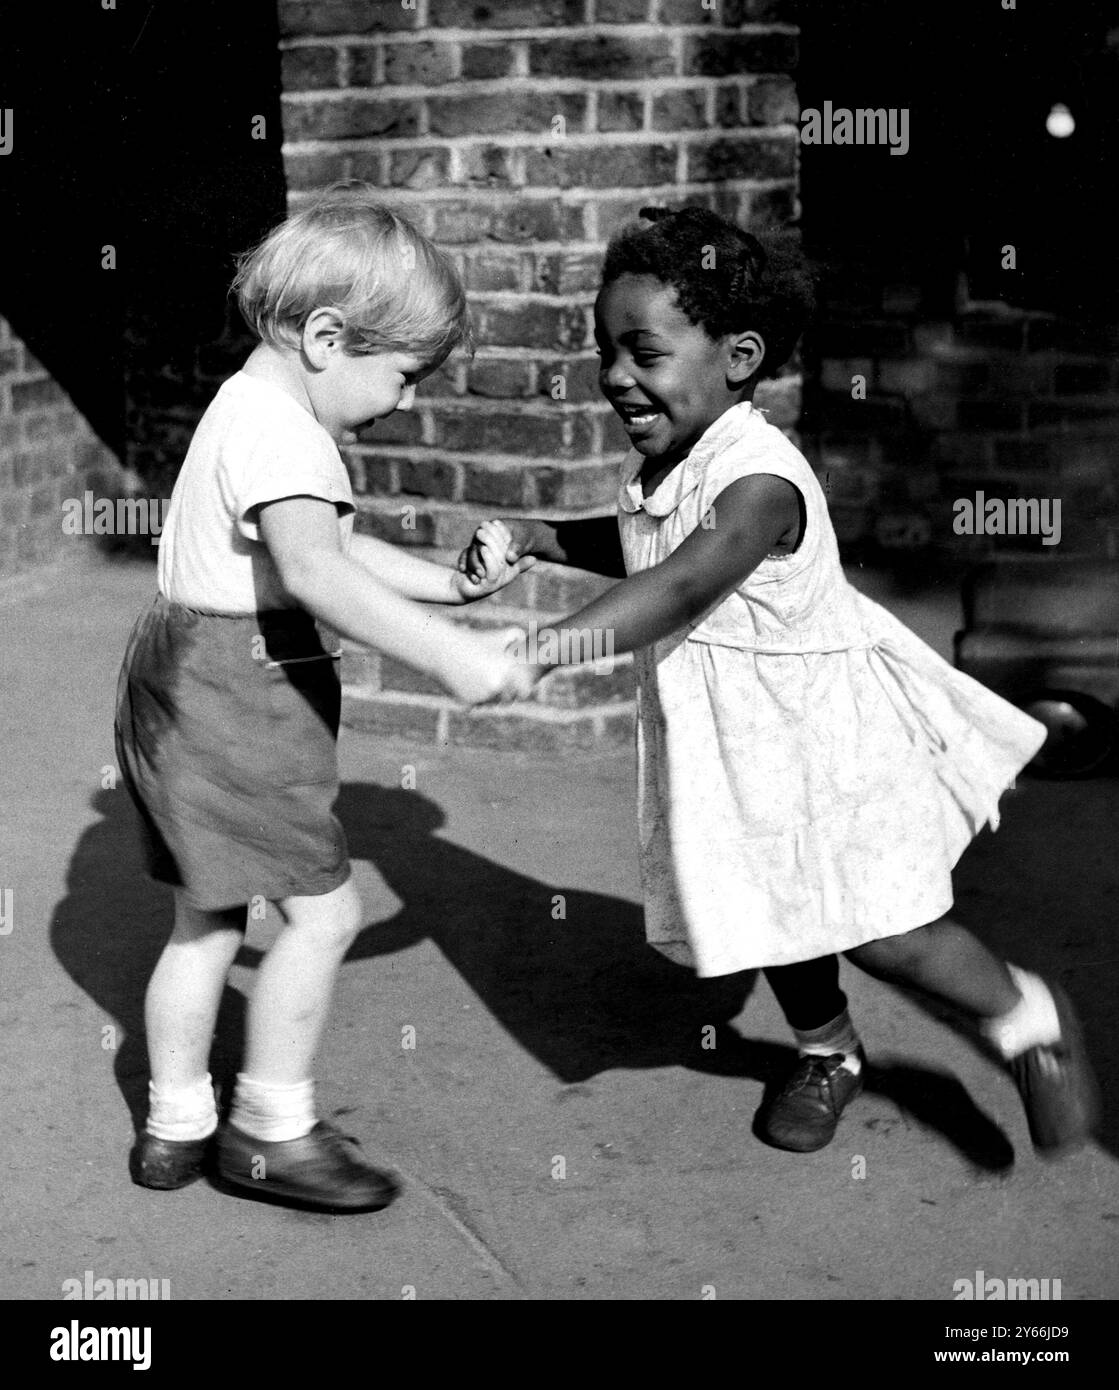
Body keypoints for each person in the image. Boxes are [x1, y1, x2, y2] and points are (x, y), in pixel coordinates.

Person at [461, 206, 1099, 1157]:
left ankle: (1027, 1022)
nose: (617, 378)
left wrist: (540, 649)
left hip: (825, 749)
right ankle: (827, 1050)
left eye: (644, 353)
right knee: (766, 909)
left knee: (888, 931)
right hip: (736, 749)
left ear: (741, 355)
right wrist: (546, 539)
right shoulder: (670, 461)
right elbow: (645, 541)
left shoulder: (761, 481)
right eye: (605, 353)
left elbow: (679, 581)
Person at [115, 184, 534, 1212]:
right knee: (327, 913)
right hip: (239, 690)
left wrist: (453, 582)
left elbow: (329, 545)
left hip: (179, 675)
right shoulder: (288, 435)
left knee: (205, 920)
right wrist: (456, 654)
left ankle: (175, 1127)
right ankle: (270, 1129)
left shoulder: (250, 407)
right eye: (400, 375)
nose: (403, 399)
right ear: (326, 334)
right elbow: (315, 573)